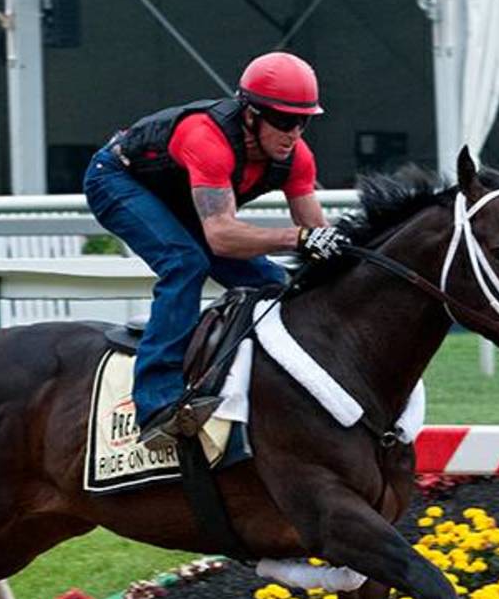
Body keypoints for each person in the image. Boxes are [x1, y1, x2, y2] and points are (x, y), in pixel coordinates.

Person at [83, 51, 350, 449]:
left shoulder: (298, 158)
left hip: (181, 198)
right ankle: (156, 404)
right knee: (185, 263)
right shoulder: (206, 138)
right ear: (250, 114)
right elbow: (223, 238)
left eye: (303, 121)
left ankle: (261, 389)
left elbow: (316, 234)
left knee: (272, 282)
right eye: (282, 120)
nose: (293, 133)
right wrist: (296, 239)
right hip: (118, 180)